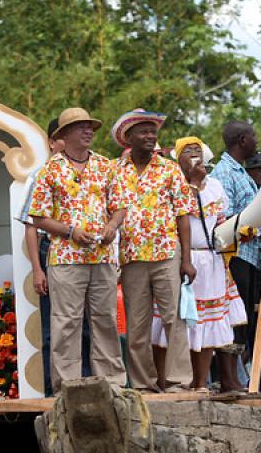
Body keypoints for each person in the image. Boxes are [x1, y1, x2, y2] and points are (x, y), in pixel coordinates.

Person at [29, 107, 131, 392]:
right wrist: (71, 231)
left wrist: (112, 226)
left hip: (103, 256)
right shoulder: (49, 171)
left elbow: (120, 205)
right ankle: (68, 388)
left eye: (90, 127)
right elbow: (38, 217)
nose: (88, 131)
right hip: (65, 258)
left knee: (105, 321)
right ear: (63, 135)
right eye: (80, 127)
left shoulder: (106, 166)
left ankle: (112, 384)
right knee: (65, 324)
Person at [111, 111, 197, 393]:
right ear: (129, 137)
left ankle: (177, 382)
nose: (151, 136)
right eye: (144, 132)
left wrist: (186, 259)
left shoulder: (169, 169)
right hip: (132, 256)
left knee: (174, 319)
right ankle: (143, 384)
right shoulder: (115, 170)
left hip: (166, 253)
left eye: (153, 132)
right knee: (137, 325)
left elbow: (183, 215)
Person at [211, 121, 261, 392]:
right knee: (240, 321)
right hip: (237, 258)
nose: (256, 140)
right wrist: (260, 231)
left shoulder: (241, 173)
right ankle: (232, 380)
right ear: (243, 140)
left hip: (254, 257)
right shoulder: (224, 173)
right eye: (253, 136)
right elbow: (225, 221)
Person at [16, 118, 91, 394]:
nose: (64, 143)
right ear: (52, 141)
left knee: (88, 326)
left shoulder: (91, 170)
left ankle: (89, 383)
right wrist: (37, 268)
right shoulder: (42, 174)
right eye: (60, 137)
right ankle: (57, 389)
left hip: (89, 253)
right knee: (56, 326)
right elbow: (32, 225)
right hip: (55, 251)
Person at [176, 138, 248, 394]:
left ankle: (200, 383)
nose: (195, 154)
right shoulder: (176, 184)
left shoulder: (216, 187)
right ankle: (185, 381)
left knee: (209, 324)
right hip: (187, 258)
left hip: (212, 259)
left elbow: (220, 223)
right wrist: (193, 183)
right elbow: (181, 211)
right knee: (187, 322)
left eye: (198, 150)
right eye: (188, 151)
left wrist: (240, 232)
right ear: (178, 159)